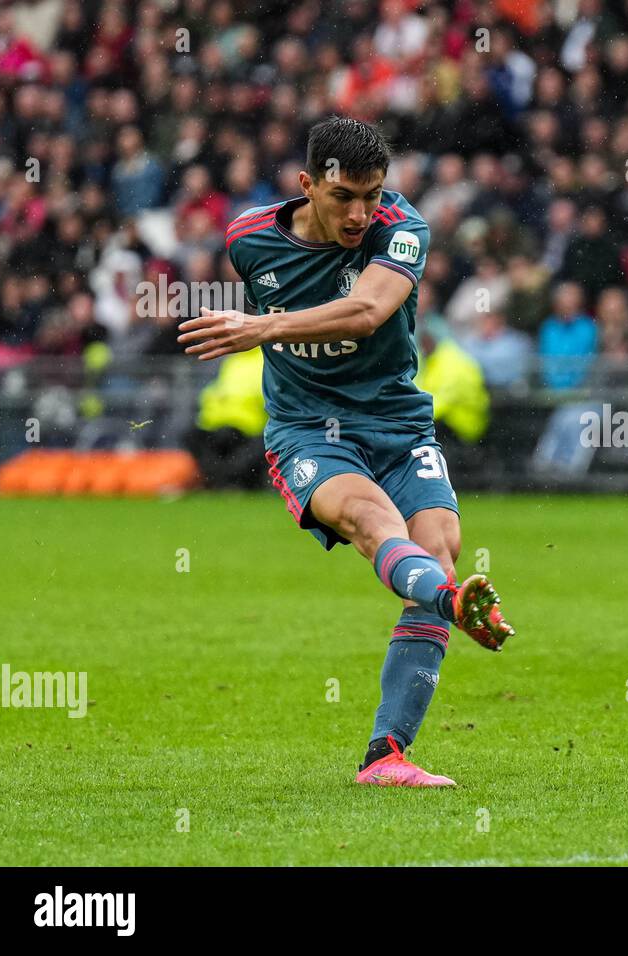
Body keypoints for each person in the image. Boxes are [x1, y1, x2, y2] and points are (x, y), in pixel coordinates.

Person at [177, 117, 514, 788]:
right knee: (371, 523)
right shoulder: (249, 240)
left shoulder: (404, 230)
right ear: (307, 185)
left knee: (440, 542)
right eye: (343, 198)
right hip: (308, 431)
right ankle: (452, 605)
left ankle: (385, 756)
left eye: (373, 194)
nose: (361, 213)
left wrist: (264, 327)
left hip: (396, 422)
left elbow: (365, 312)